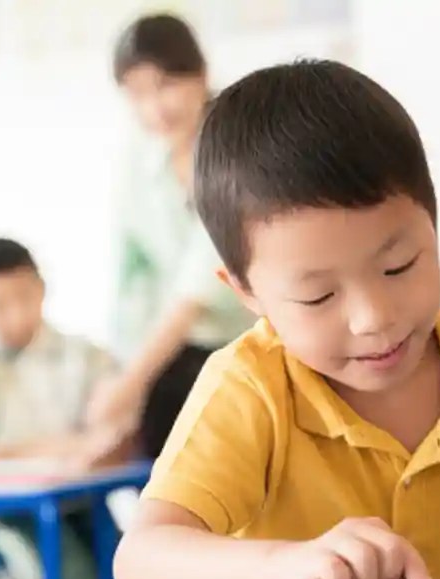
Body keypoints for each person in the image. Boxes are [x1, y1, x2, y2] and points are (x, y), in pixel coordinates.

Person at [113, 60, 440, 579]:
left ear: (434, 227)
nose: (373, 317)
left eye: (399, 266)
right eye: (318, 297)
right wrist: (285, 563)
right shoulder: (250, 390)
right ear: (246, 293)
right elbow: (142, 561)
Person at [92, 13, 254, 459]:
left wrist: (131, 381)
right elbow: (134, 278)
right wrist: (123, 372)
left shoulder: (236, 147)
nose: (155, 108)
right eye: (137, 94)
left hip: (253, 338)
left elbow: (196, 286)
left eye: (166, 85)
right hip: (178, 352)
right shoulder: (137, 163)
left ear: (199, 74)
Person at [0, 238, 128, 579]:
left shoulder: (87, 358)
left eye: (23, 296)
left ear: (41, 287)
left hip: (82, 505)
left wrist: (8, 453)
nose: (15, 314)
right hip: (7, 514)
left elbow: (109, 440)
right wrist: (58, 446)